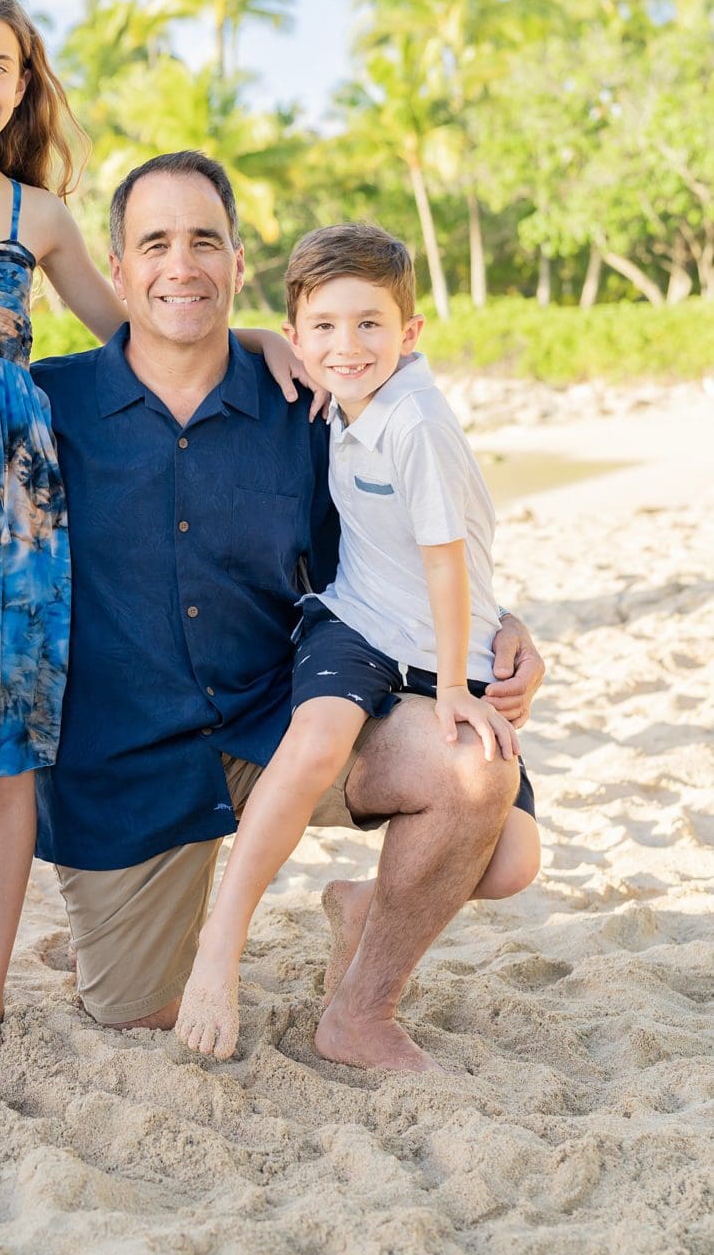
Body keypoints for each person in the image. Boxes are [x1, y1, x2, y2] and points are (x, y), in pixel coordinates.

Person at [0, 151, 543, 1077]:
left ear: (237, 264)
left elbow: (398, 540)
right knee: (135, 1012)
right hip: (123, 770)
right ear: (115, 271)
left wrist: (505, 621)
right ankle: (153, 928)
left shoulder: (308, 404)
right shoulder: (47, 405)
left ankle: (361, 1006)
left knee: (473, 784)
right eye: (153, 243)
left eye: (204, 241)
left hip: (279, 724)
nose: (180, 264)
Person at [0, 0, 304, 1087]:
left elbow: (135, 329)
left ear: (24, 85)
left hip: (24, 526)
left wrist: (257, 328)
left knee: (8, 774)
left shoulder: (37, 217)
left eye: (0, 67)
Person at [177, 222, 534, 1065]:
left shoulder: (414, 423)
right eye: (326, 329)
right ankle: (220, 951)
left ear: (409, 335)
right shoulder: (335, 388)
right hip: (354, 625)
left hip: (442, 653)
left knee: (508, 863)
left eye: (370, 324)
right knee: (313, 745)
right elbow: (250, 336)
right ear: (298, 339)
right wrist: (266, 335)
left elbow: (449, 565)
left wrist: (456, 684)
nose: (347, 345)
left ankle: (363, 903)